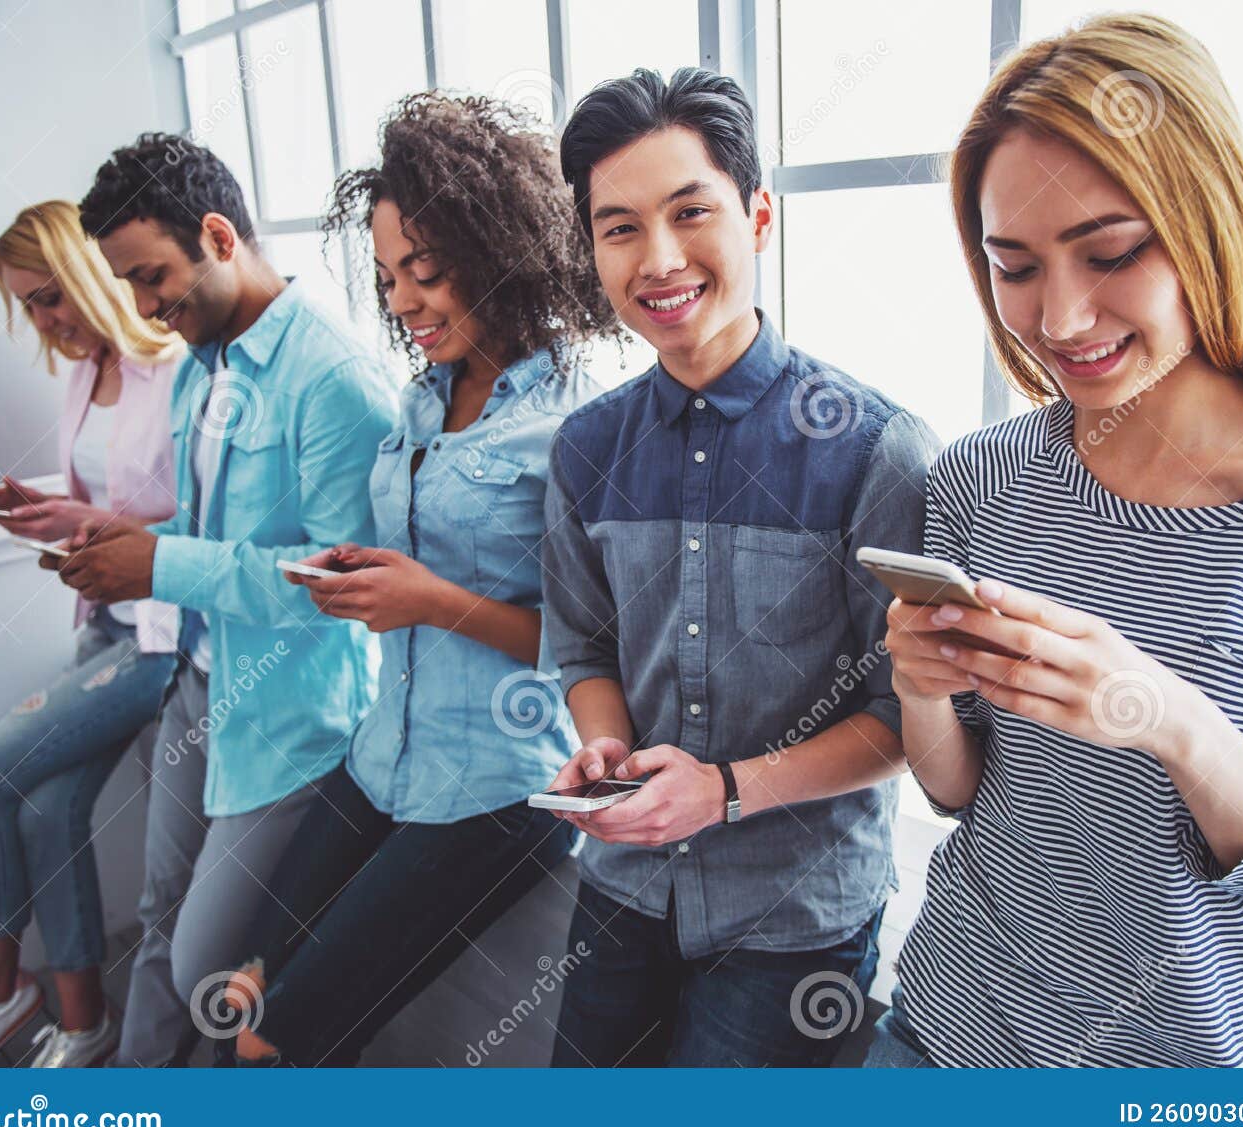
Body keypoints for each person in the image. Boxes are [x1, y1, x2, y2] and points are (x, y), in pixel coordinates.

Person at [873, 12, 1243, 1068]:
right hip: (939, 1033)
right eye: (1013, 266)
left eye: (1108, 254)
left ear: (1208, 224)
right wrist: (921, 685)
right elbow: (958, 792)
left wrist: (1173, 721)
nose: (1058, 319)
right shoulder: (979, 474)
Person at [208, 93, 623, 1067]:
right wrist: (364, 573)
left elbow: (593, 644)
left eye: (426, 274)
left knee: (276, 1038)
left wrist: (429, 601)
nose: (401, 303)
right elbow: (421, 549)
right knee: (241, 984)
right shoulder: (423, 395)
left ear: (501, 251)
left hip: (497, 789)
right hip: (382, 755)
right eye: (391, 276)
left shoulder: (575, 426)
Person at [539, 67, 941, 1067]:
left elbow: (906, 723)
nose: (659, 258)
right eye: (619, 227)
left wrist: (722, 790)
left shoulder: (875, 448)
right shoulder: (585, 448)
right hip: (623, 885)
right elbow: (582, 646)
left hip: (792, 921)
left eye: (691, 212)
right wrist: (605, 751)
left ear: (757, 216)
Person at [55, 133, 396, 1065]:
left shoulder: (334, 381)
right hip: (197, 683)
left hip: (291, 718)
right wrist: (133, 548)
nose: (143, 309)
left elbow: (336, 584)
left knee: (207, 962)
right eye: (127, 284)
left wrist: (157, 568)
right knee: (160, 915)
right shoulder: (204, 364)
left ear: (217, 235)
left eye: (151, 277)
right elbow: (216, 539)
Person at [0, 201, 183, 1069]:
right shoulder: (84, 375)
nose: (44, 321)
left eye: (49, 296)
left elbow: (199, 525)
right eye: (27, 306)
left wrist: (80, 518)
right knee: (45, 806)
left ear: (91, 275)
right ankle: (81, 1023)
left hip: (161, 635)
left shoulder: (174, 369)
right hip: (99, 626)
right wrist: (41, 520)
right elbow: (101, 516)